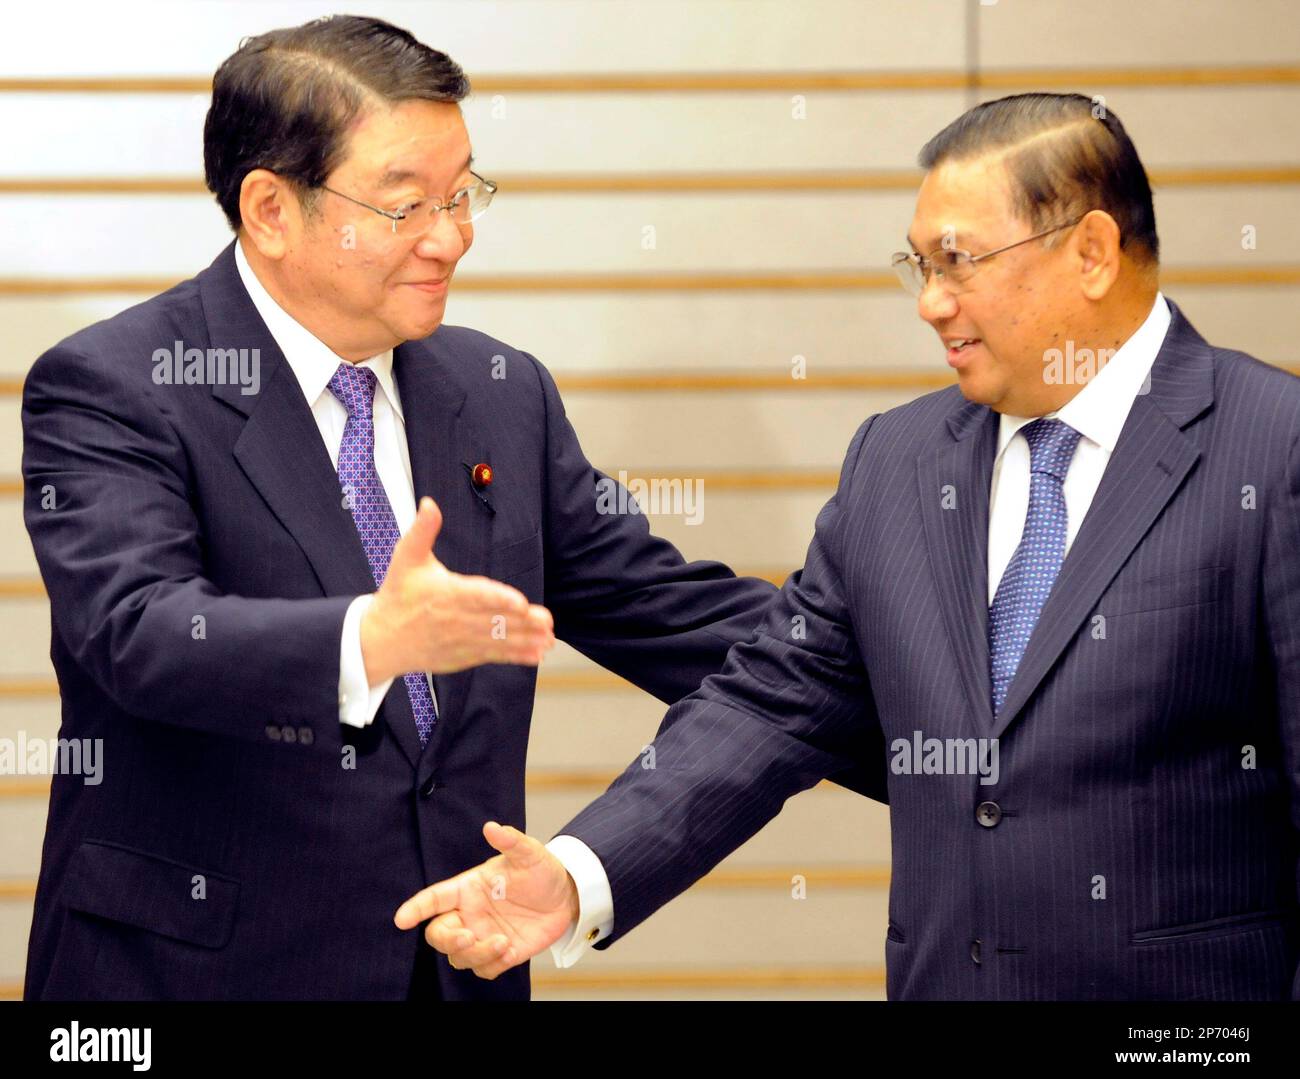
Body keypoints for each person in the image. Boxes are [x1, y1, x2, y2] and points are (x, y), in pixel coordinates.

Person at [20, 14, 883, 1001]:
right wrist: (369, 640)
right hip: (193, 974)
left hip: (455, 973)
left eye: (462, 191)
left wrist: (965, 707)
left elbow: (675, 616)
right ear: (269, 208)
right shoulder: (118, 382)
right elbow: (139, 634)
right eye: (405, 204)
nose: (451, 234)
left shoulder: (498, 391)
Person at [396, 92, 1300, 1001]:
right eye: (919, 266)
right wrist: (578, 874)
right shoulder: (897, 461)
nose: (931, 303)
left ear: (1092, 252)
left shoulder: (1273, 448)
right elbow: (771, 704)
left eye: (958, 262)